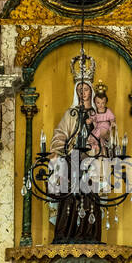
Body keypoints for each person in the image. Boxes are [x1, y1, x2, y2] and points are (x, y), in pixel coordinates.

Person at [48, 54, 108, 243]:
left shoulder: (99, 114)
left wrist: (99, 145)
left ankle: (89, 234)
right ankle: (67, 234)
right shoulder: (71, 114)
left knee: (90, 196)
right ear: (77, 91)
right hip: (72, 159)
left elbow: (106, 136)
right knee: (69, 196)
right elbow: (60, 134)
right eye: (80, 89)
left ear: (91, 91)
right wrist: (57, 150)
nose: (83, 93)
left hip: (91, 161)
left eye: (86, 89)